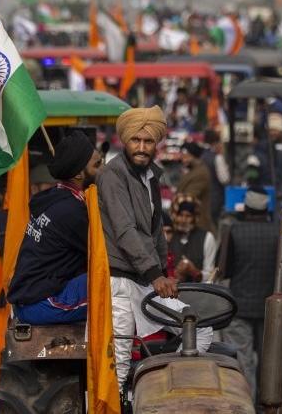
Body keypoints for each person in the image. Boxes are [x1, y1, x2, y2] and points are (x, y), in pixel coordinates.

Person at [98, 106, 212, 390]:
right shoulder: (112, 175)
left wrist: (164, 272)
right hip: (120, 283)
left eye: (148, 141)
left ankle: (169, 388)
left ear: (156, 144)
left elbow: (156, 230)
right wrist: (155, 274)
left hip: (146, 281)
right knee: (118, 366)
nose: (141, 147)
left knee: (200, 329)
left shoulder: (150, 176)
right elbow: (125, 230)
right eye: (136, 140)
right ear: (125, 141)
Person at [8, 131, 102, 324]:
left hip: (31, 298)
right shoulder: (71, 211)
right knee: (118, 285)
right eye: (98, 165)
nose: (104, 170)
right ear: (79, 174)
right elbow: (105, 254)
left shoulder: (56, 197)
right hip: (42, 303)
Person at [218, 187, 279, 401]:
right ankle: (269, 403)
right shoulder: (279, 232)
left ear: (246, 208)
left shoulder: (234, 231)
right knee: (270, 361)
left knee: (243, 361)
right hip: (272, 311)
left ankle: (246, 404)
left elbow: (223, 269)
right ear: (266, 209)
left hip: (239, 308)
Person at [168, 195, 217, 284]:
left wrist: (194, 272)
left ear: (194, 218)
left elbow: (211, 276)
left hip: (198, 290)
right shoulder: (169, 235)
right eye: (180, 215)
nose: (183, 220)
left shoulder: (207, 237)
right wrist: (176, 273)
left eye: (188, 216)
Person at [175, 141, 215, 233]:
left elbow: (188, 198)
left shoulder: (200, 173)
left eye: (186, 156)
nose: (183, 160)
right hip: (190, 224)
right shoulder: (192, 171)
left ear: (194, 156)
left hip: (197, 225)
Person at [201, 131, 229, 226]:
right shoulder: (217, 158)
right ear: (215, 143)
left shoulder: (200, 156)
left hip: (202, 197)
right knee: (214, 224)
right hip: (216, 198)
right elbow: (224, 179)